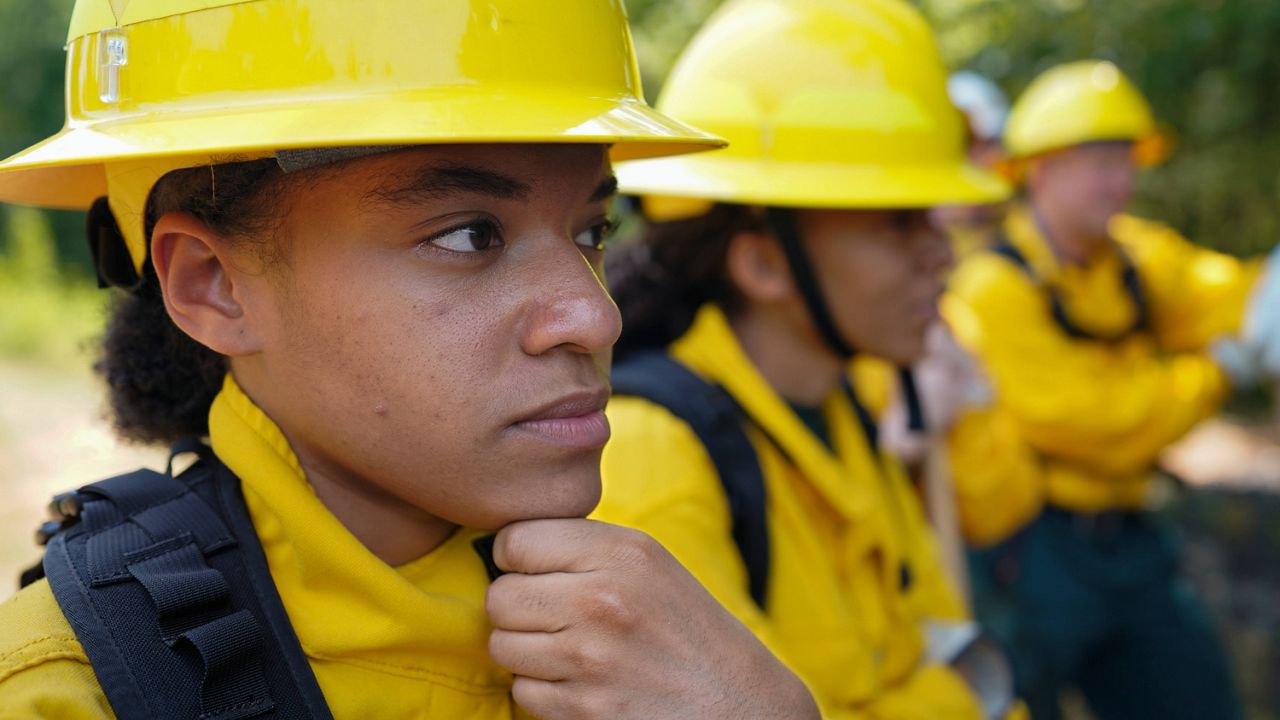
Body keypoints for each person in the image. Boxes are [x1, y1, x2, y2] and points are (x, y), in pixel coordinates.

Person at [0, 1, 825, 718]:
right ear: (217, 286)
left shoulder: (644, 641)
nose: (594, 316)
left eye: (591, 233)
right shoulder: (69, 694)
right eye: (468, 235)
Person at [592, 0, 1017, 718]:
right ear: (762, 263)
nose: (941, 252)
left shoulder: (843, 405)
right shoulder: (652, 457)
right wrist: (958, 695)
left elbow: (939, 628)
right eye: (898, 222)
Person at [943, 59, 1280, 719]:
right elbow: (1095, 421)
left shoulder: (1134, 256)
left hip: (1131, 540)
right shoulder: (993, 289)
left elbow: (1225, 296)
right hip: (1032, 552)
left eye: (1127, 161)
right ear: (1040, 168)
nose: (1122, 183)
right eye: (1101, 163)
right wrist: (1219, 373)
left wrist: (1266, 291)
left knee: (1192, 695)